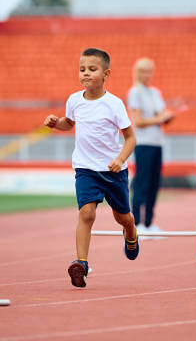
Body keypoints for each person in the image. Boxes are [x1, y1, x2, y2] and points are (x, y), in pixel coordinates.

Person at [44, 48, 138, 288]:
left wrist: (120, 159)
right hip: (85, 168)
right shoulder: (74, 100)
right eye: (82, 69)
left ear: (106, 74)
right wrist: (57, 124)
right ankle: (81, 264)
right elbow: (69, 123)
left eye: (92, 69)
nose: (85, 74)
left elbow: (130, 138)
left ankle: (131, 232)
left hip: (113, 171)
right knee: (87, 213)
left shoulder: (114, 104)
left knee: (123, 217)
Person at [127, 57, 174, 236]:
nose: (146, 75)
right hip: (143, 143)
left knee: (154, 183)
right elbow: (138, 121)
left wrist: (166, 117)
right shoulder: (135, 92)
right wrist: (160, 118)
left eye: (149, 71)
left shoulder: (155, 92)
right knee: (142, 182)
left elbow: (160, 115)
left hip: (157, 142)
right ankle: (137, 223)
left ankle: (149, 223)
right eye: (143, 71)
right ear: (137, 73)